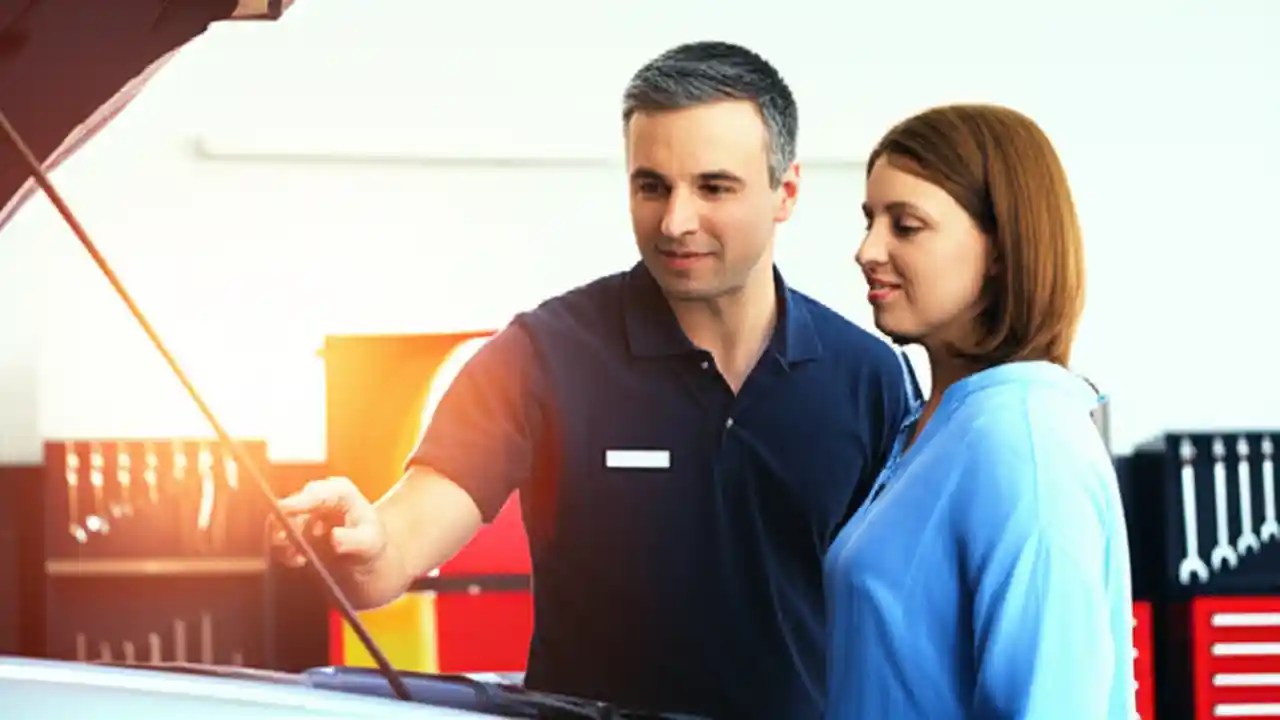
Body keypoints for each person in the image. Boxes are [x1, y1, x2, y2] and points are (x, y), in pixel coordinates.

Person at [274, 40, 910, 719]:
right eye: (651, 186)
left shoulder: (869, 379)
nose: (676, 222)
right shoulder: (541, 357)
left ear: (786, 193)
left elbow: (904, 611)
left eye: (714, 187)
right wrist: (364, 545)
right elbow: (400, 543)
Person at [822, 103, 1136, 719]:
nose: (867, 250)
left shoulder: (1023, 444)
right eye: (869, 221)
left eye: (906, 226)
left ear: (999, 247)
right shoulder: (937, 427)